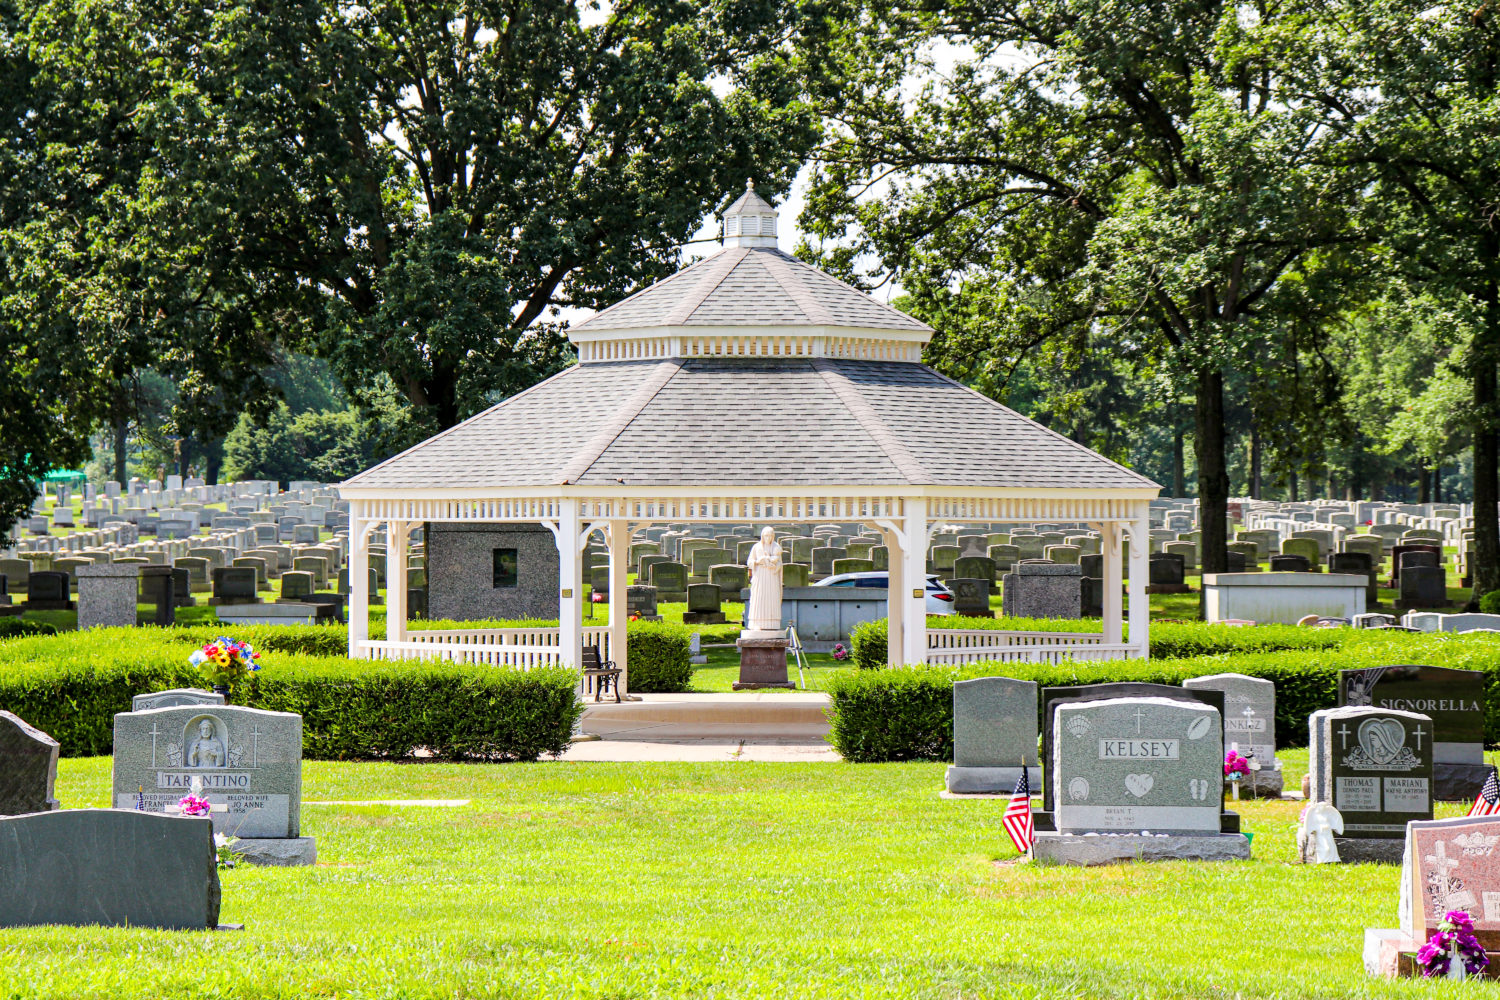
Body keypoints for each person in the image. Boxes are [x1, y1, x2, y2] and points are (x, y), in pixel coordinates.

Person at [745, 526, 784, 631]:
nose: (768, 538)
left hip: (772, 576)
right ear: (762, 536)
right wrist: (758, 561)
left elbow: (780, 563)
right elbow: (749, 561)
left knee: (772, 597)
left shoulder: (776, 547)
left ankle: (773, 622)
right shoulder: (756, 547)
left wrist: (774, 565)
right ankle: (756, 622)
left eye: (770, 536)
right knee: (758, 598)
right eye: (766, 535)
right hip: (760, 575)